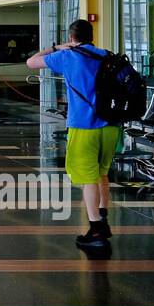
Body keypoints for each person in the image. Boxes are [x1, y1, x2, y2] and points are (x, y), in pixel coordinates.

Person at [27, 20, 119, 249]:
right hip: (111, 125)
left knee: (88, 177)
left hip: (83, 125)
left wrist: (56, 48)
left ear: (71, 37)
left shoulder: (68, 56)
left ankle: (96, 228)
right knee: (102, 172)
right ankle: (103, 215)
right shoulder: (106, 55)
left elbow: (31, 62)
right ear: (91, 35)